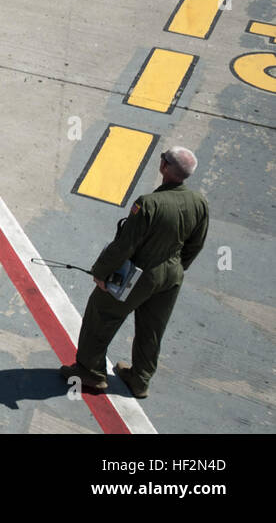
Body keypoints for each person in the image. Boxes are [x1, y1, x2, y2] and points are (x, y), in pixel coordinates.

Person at [60, 146, 210, 398]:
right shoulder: (199, 202)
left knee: (101, 313)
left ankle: (90, 372)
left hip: (140, 276)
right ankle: (140, 379)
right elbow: (196, 243)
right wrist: (175, 268)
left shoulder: (149, 204)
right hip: (172, 275)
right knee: (152, 328)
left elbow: (125, 245)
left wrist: (101, 272)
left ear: (164, 167)